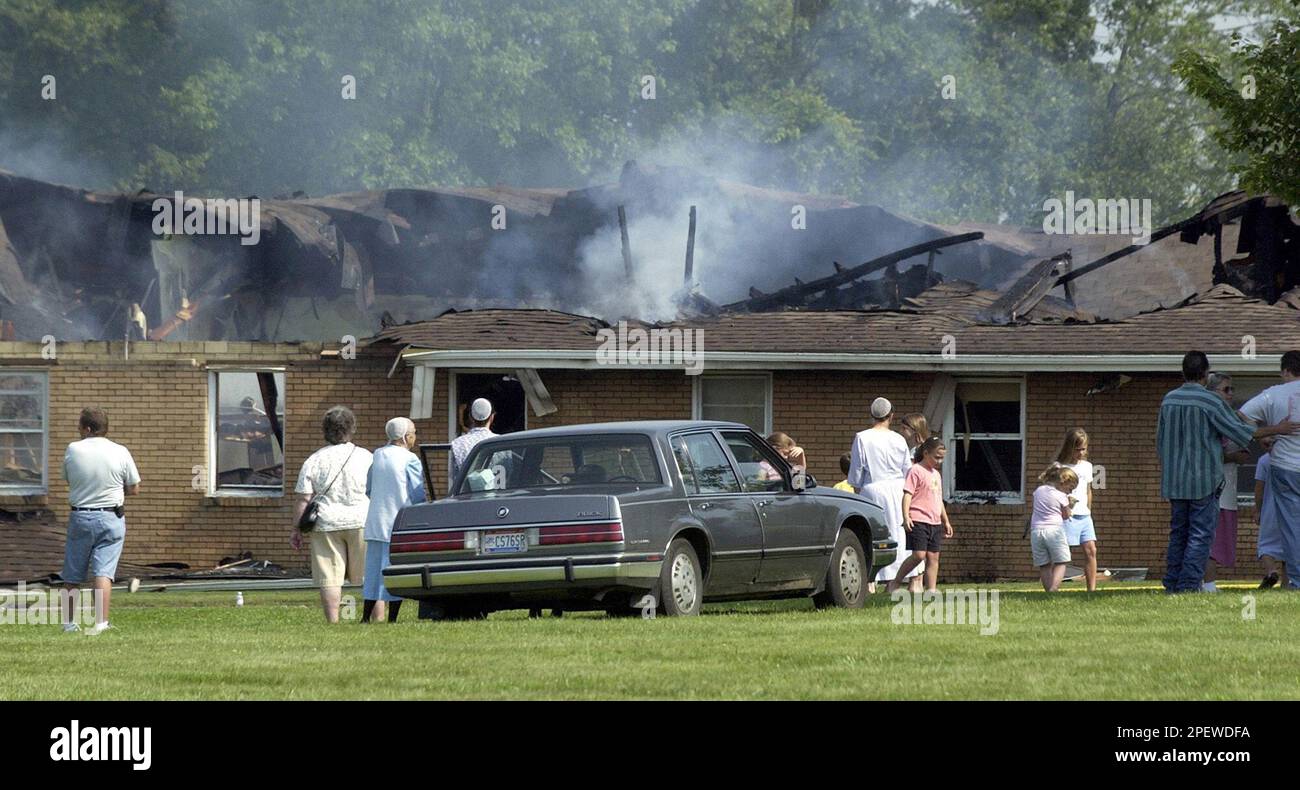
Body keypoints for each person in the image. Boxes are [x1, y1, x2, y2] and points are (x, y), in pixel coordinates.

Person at [1156, 351, 1291, 593]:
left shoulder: (1169, 400)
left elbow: (1160, 441)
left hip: (1175, 481)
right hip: (1203, 480)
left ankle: (1173, 584)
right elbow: (1241, 431)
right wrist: (1278, 428)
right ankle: (1188, 586)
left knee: (1178, 534)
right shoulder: (1210, 401)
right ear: (1205, 374)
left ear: (1183, 371)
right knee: (1200, 535)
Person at [59, 406, 141, 635]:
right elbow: (134, 488)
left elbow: (68, 478)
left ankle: (68, 623)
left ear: (87, 428)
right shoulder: (121, 451)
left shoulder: (73, 449)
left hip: (81, 515)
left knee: (72, 573)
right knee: (103, 572)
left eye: (79, 425)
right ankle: (101, 623)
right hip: (111, 516)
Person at [292, 406, 373, 623]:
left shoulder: (314, 460)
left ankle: (333, 622)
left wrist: (297, 529)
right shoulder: (366, 457)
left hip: (326, 523)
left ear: (325, 430)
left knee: (330, 578)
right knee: (369, 576)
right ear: (351, 428)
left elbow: (303, 498)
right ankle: (376, 618)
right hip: (362, 520)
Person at [1239, 350, 1300, 589]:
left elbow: (1242, 418)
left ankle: (1296, 580)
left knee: (1292, 525)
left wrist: (1269, 432)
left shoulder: (1272, 394)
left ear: (1285, 371)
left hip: (1284, 466)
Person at [850, 397, 922, 591]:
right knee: (898, 534)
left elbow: (856, 473)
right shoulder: (898, 439)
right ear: (891, 416)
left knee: (874, 534)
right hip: (898, 490)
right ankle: (895, 581)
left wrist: (858, 489)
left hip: (872, 490)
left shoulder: (862, 437)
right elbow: (908, 470)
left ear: (872, 415)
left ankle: (871, 580)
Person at [363, 417, 425, 623]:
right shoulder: (410, 459)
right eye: (414, 432)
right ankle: (392, 619)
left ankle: (365, 617)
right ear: (406, 437)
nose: (415, 436)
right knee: (394, 572)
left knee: (373, 572)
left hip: (376, 521)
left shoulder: (377, 455)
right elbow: (417, 493)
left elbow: (369, 488)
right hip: (398, 522)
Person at [1204, 373, 1252, 591]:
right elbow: (1208, 453)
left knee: (1220, 537)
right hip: (1214, 489)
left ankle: (1207, 583)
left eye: (1232, 389)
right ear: (1213, 392)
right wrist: (1233, 456)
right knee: (1210, 540)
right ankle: (1207, 584)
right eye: (1226, 389)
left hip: (1229, 489)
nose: (1231, 394)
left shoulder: (1231, 417)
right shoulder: (1210, 417)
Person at [891, 437, 951, 594]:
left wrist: (946, 521)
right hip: (918, 519)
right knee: (919, 555)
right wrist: (906, 517)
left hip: (935, 522)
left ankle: (931, 589)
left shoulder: (936, 475)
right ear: (926, 453)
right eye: (936, 457)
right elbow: (907, 495)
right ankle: (896, 582)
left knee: (933, 557)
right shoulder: (915, 470)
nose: (939, 461)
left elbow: (938, 499)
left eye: (942, 458)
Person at [1053, 428, 1099, 591]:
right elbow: (1052, 491)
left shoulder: (1087, 466)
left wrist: (1088, 510)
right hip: (1067, 516)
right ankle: (1053, 588)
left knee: (1091, 550)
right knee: (1062, 555)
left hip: (1084, 516)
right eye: (1077, 449)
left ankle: (1091, 590)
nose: (1080, 452)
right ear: (1069, 447)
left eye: (1083, 449)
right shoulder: (1059, 466)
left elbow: (1088, 490)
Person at [1030, 464, 1077, 592]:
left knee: (1044, 565)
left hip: (1036, 531)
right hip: (1054, 530)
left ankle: (1048, 592)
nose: (1070, 491)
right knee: (1062, 562)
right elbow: (1066, 516)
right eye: (1070, 488)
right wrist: (1070, 505)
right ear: (1063, 482)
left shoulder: (1039, 490)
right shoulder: (1061, 496)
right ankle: (1054, 588)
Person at [1255, 443, 1289, 589]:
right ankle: (1287, 584)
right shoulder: (1293, 459)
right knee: (1290, 547)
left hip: (1270, 511)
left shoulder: (1264, 460)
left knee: (1265, 546)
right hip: (1291, 512)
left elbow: (1259, 489)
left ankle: (1271, 571)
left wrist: (1257, 510)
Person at [450, 397, 497, 487]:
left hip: (467, 498)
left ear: (470, 417)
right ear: (492, 417)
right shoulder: (501, 442)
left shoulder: (458, 444)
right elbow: (508, 472)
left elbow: (455, 477)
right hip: (498, 497)